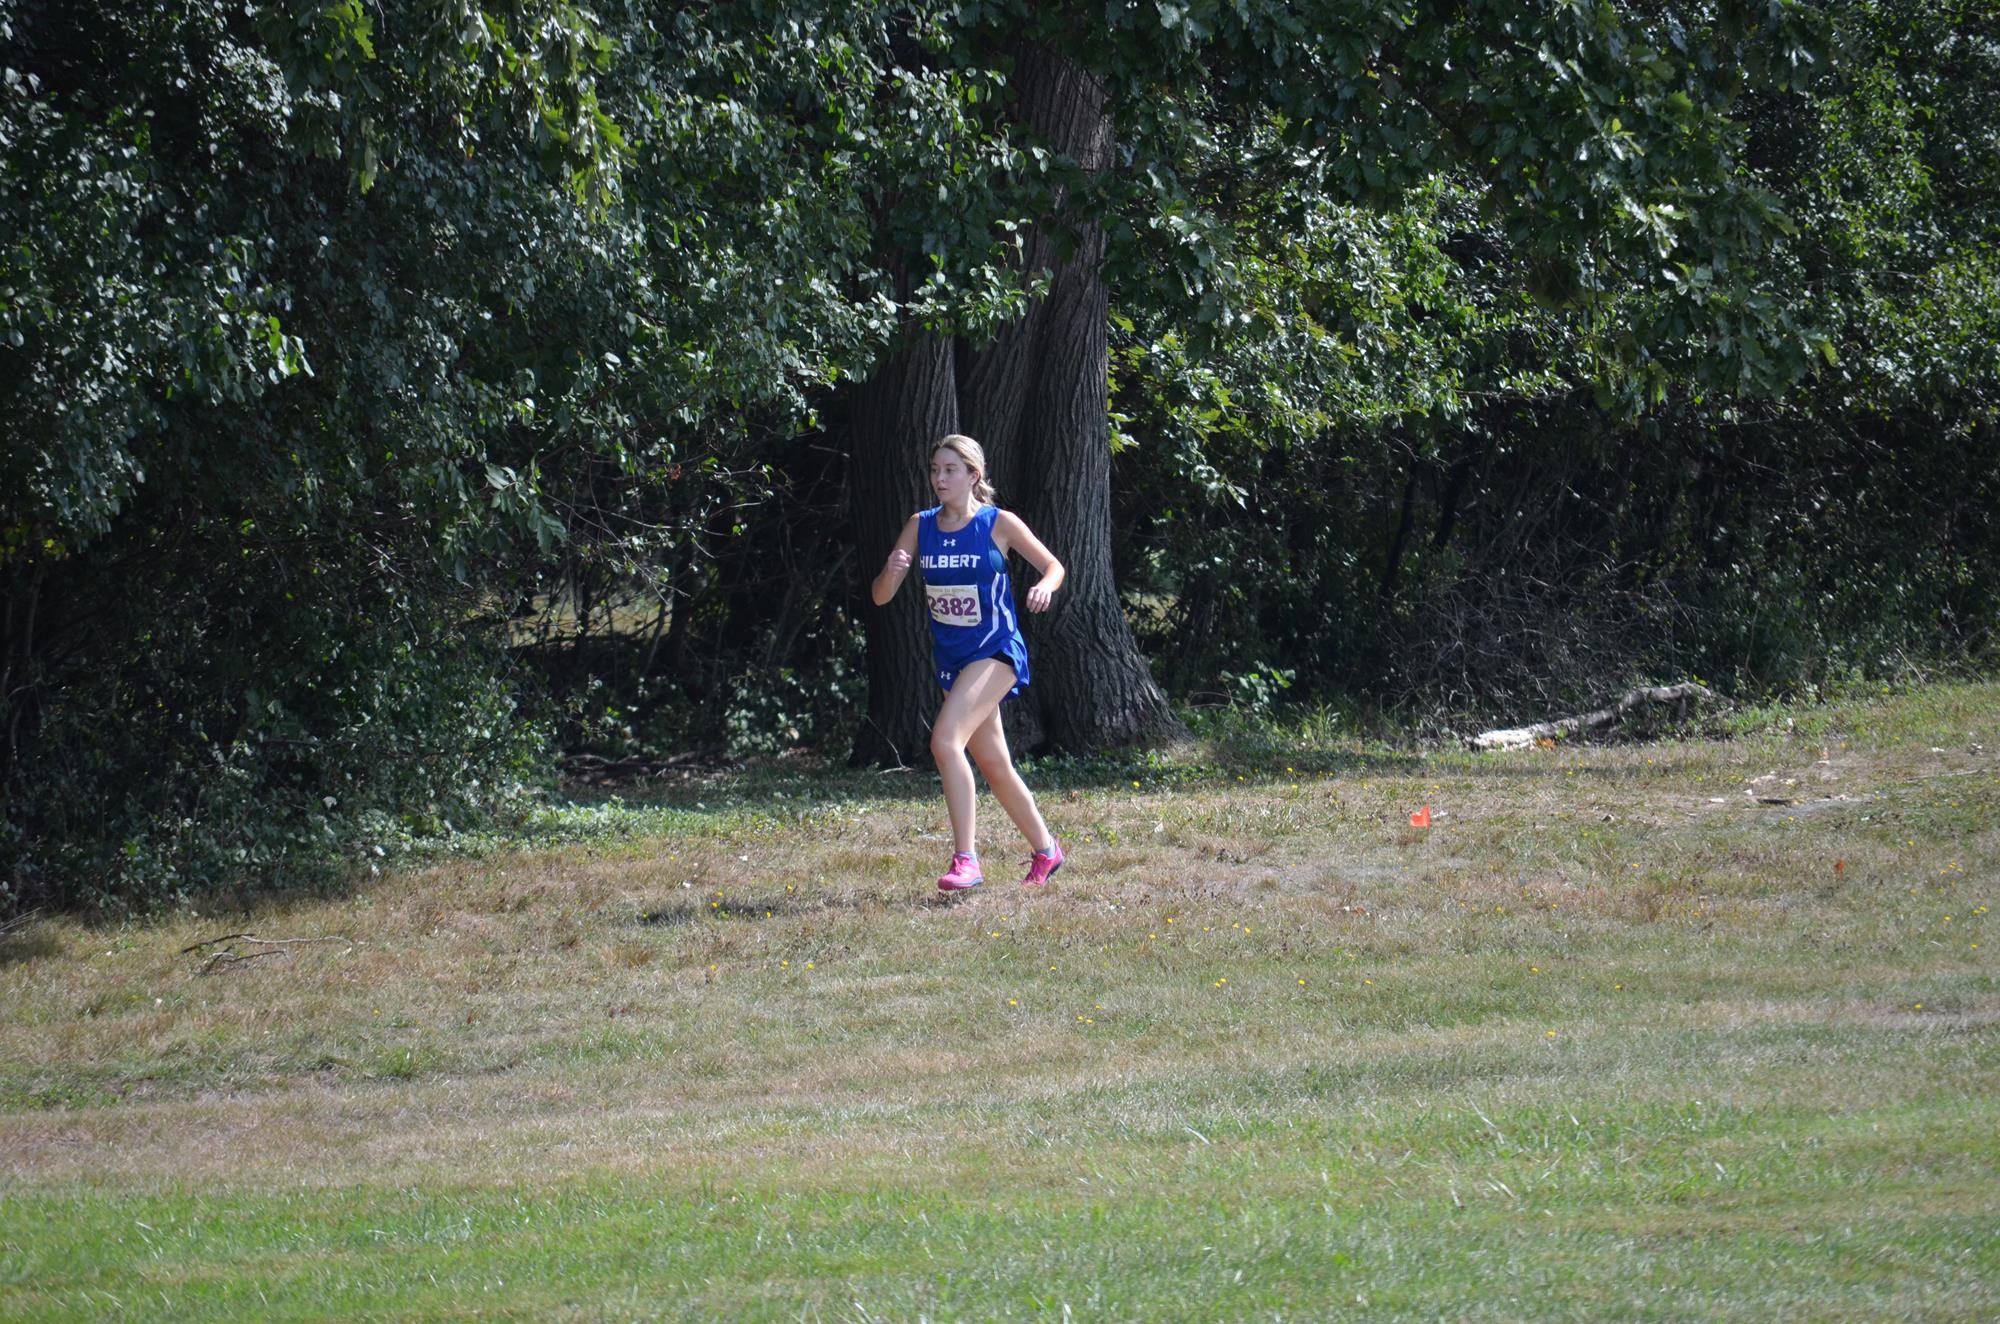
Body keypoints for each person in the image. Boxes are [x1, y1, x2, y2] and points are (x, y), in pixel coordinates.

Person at [870, 434, 1066, 892]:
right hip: (952, 659)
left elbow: (1054, 566)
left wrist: (1045, 587)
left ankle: (966, 860)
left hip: (996, 650)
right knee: (994, 763)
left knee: (944, 740)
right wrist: (893, 572)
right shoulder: (920, 525)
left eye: (950, 470)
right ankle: (1047, 849)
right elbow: (881, 597)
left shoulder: (999, 524)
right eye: (935, 470)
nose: (939, 478)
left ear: (973, 476)